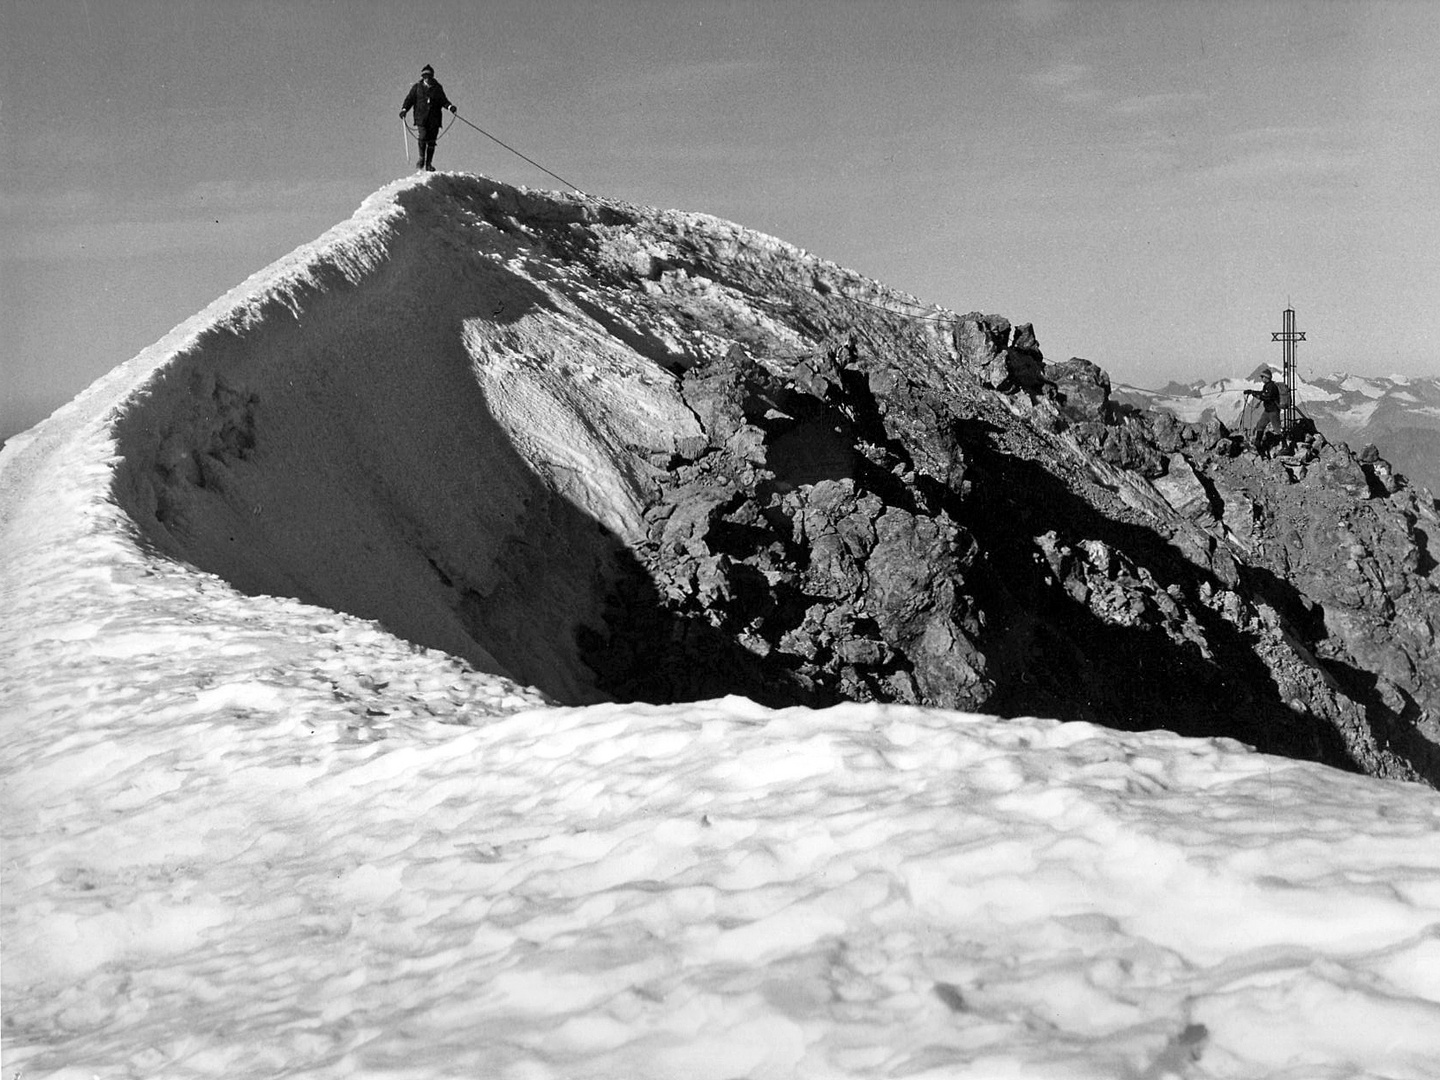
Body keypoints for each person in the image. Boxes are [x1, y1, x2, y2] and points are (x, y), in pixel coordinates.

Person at [400, 64, 457, 171]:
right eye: (425, 76)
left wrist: (450, 107)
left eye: (429, 76)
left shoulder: (438, 88)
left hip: (434, 119)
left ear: (432, 76)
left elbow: (443, 101)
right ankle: (421, 158)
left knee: (431, 141)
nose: (427, 78)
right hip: (421, 118)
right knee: (423, 136)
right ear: (423, 77)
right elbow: (409, 100)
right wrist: (404, 110)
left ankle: (428, 164)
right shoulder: (417, 87)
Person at [1243, 368, 1281, 453]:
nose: (1261, 378)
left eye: (1262, 377)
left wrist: (1255, 394)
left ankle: (1285, 445)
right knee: (1260, 425)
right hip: (1268, 411)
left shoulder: (1271, 386)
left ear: (1266, 377)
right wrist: (1252, 392)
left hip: (1273, 411)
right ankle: (1257, 443)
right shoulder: (1267, 386)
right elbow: (1263, 393)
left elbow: (1266, 397)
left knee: (1277, 429)